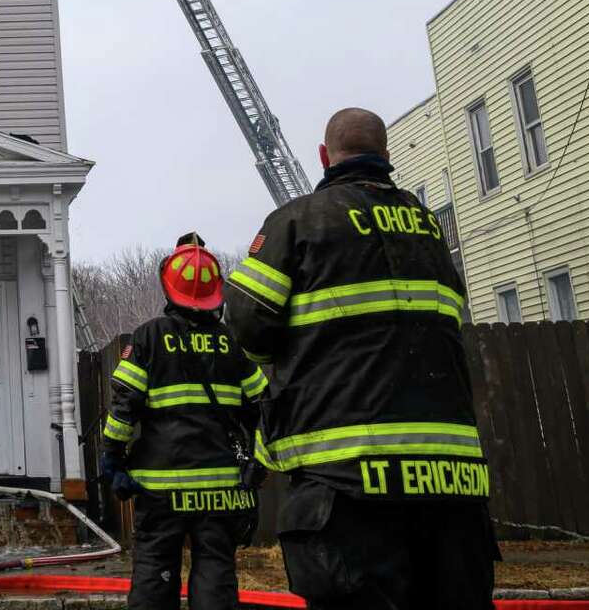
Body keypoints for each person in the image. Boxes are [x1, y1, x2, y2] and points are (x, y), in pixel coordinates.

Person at [226, 108, 496, 610]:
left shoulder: (299, 222)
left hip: (347, 487)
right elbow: (449, 321)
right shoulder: (428, 228)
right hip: (453, 487)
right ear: (387, 155)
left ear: (325, 157)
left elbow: (248, 329)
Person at [100, 234, 267, 610]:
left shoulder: (149, 338)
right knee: (215, 575)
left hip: (160, 490)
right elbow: (261, 406)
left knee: (155, 574)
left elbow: (124, 407)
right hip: (220, 489)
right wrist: (257, 464)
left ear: (168, 286)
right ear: (215, 292)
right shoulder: (230, 344)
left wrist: (113, 458)